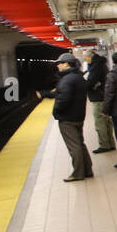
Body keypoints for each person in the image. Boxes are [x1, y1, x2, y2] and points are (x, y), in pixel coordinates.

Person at [40, 52, 94, 182]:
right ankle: (87, 170)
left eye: (60, 63)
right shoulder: (78, 77)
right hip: (78, 115)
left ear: (66, 64)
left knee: (74, 146)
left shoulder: (67, 79)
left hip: (68, 118)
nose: (58, 66)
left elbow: (63, 98)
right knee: (80, 144)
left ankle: (78, 173)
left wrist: (56, 112)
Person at [84, 50, 114, 154]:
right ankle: (111, 143)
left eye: (85, 58)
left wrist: (88, 84)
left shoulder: (95, 67)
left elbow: (90, 83)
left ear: (90, 57)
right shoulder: (102, 64)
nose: (85, 60)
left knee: (100, 122)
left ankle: (104, 145)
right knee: (107, 122)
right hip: (104, 96)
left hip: (98, 98)